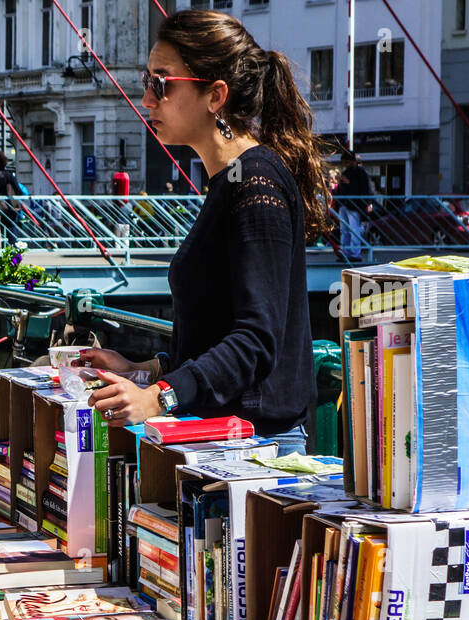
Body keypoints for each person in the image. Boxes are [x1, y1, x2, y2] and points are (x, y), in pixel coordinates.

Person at [79, 9, 328, 457]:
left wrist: (158, 397)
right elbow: (217, 330)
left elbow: (256, 341)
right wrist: (145, 369)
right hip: (224, 439)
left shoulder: (256, 185)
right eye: (146, 80)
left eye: (162, 83)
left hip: (255, 449)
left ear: (215, 96)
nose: (148, 99)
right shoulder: (231, 180)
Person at [334, 151, 374, 262]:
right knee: (345, 230)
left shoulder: (360, 172)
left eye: (348, 161)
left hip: (354, 204)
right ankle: (346, 252)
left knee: (353, 229)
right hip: (345, 204)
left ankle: (355, 253)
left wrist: (367, 202)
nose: (346, 163)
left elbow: (365, 188)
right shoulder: (348, 171)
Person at [0, 149, 23, 246]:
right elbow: (18, 189)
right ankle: (14, 256)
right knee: (11, 228)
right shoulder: (8, 174)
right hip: (9, 206)